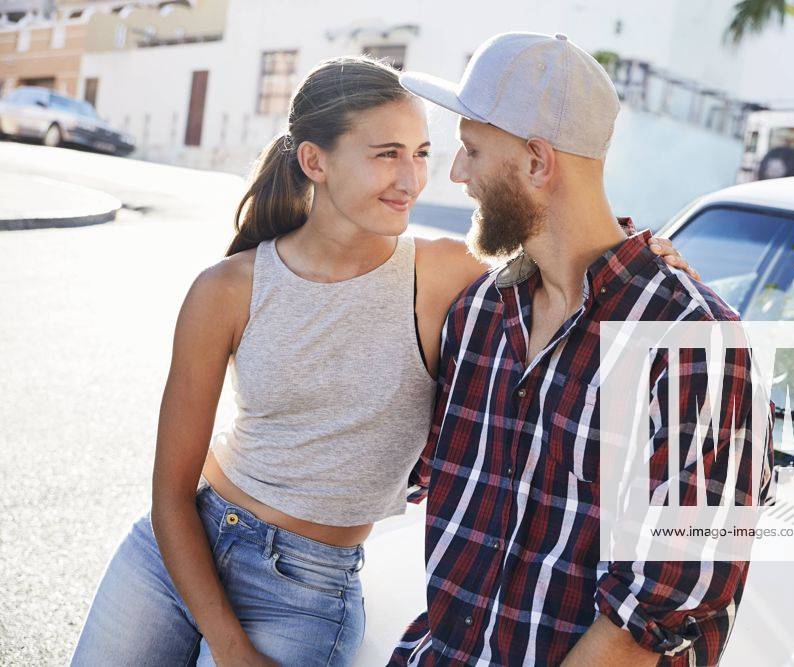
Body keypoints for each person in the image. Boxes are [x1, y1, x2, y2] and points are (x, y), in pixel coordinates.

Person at [70, 55, 690, 666]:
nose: (418, 178)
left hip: (306, 589)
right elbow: (172, 489)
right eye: (387, 153)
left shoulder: (448, 277)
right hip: (177, 548)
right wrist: (227, 644)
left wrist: (652, 260)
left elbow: (572, 272)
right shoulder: (228, 288)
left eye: (422, 151)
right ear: (314, 160)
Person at [389, 32, 775, 666]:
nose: (456, 174)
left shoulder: (693, 341)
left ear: (538, 163)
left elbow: (663, 604)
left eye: (472, 150)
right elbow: (402, 475)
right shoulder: (479, 313)